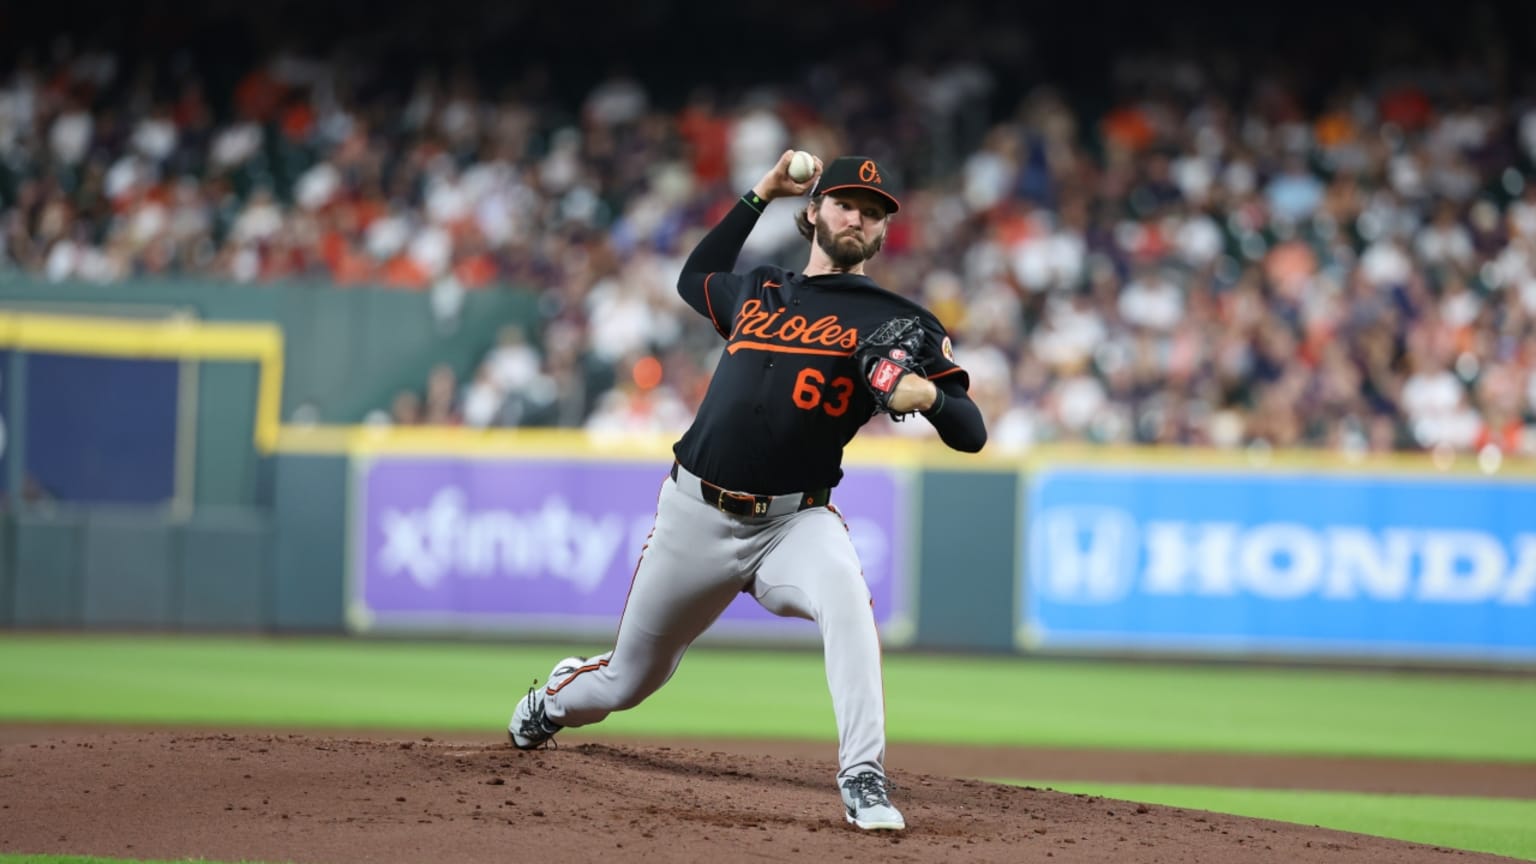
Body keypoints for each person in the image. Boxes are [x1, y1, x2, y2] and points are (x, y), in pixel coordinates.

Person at [509, 151, 988, 831]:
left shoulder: (898, 319)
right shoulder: (761, 289)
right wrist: (762, 190)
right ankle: (552, 702)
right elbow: (693, 277)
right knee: (628, 682)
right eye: (848, 203)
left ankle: (863, 774)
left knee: (848, 600)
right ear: (815, 211)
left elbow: (971, 432)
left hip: (795, 524)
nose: (861, 217)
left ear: (883, 235)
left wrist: (933, 397)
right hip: (694, 514)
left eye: (875, 213)